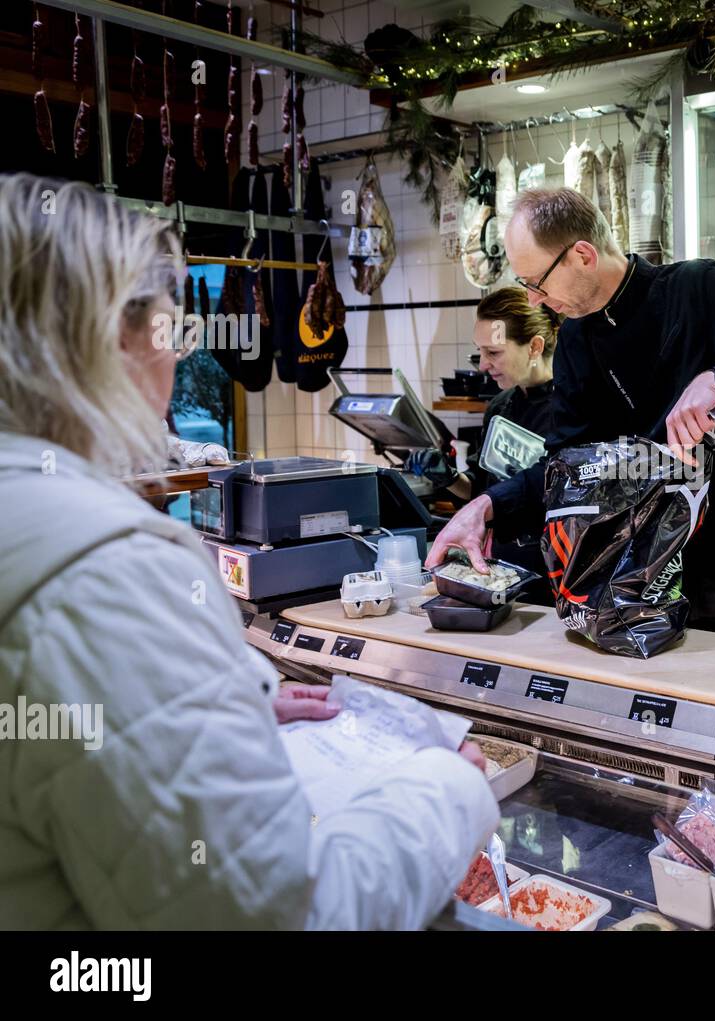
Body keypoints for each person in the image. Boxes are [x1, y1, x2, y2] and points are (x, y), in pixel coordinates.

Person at [0, 173, 498, 928]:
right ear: (114, 339)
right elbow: (274, 918)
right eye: (169, 332)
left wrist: (225, 710)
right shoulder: (110, 573)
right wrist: (446, 793)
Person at [428, 187, 715, 641]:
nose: (533, 300)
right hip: (628, 572)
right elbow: (566, 468)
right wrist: (487, 505)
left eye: (536, 282)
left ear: (583, 255)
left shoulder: (700, 289)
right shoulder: (574, 340)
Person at [444, 287, 560, 599]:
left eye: (493, 353)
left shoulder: (571, 409)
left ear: (534, 346)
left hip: (557, 578)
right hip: (504, 574)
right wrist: (448, 478)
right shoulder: (500, 406)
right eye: (479, 352)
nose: (482, 365)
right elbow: (484, 493)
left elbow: (553, 487)